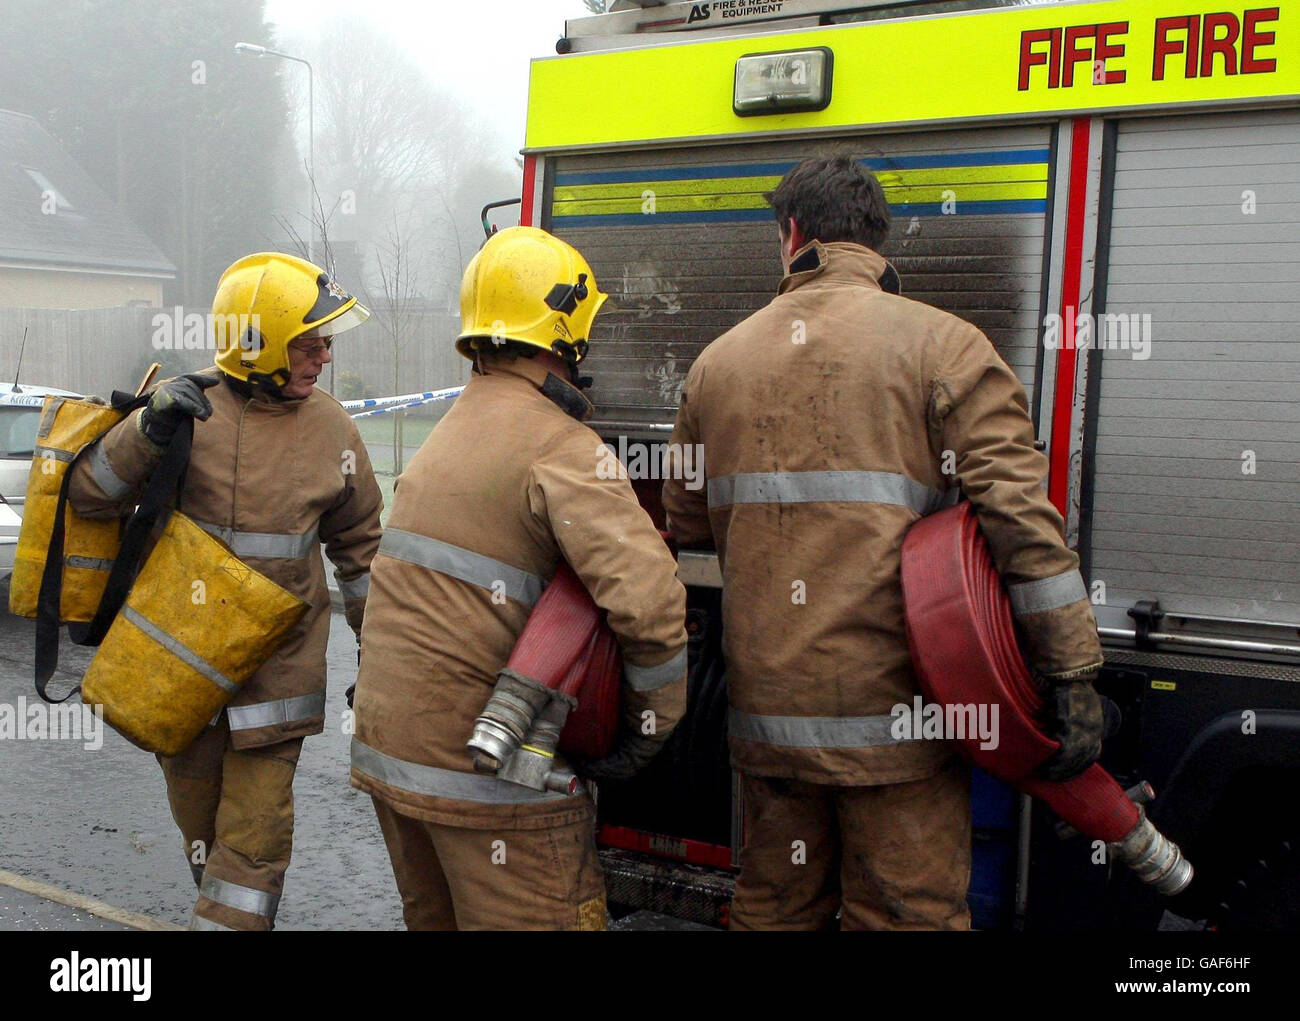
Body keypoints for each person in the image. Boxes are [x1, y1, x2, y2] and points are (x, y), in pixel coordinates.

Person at [661, 156, 1104, 931]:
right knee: (906, 915)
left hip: (768, 724)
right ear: (876, 240)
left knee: (774, 909)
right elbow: (1021, 520)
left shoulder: (713, 365)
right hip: (902, 728)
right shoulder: (949, 349)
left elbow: (687, 523)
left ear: (792, 233)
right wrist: (1070, 669)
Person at [350, 226, 687, 930]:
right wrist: (645, 735)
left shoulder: (452, 428)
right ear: (567, 338)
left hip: (393, 760)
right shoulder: (561, 445)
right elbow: (651, 607)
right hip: (490, 786)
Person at [69, 252, 383, 930]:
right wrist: (146, 432)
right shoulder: (184, 411)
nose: (325, 355)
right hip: (180, 682)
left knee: (253, 847)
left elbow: (359, 551)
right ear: (259, 341)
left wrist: (382, 655)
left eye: (327, 341)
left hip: (276, 688)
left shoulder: (334, 429)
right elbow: (91, 495)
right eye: (311, 341)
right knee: (206, 836)